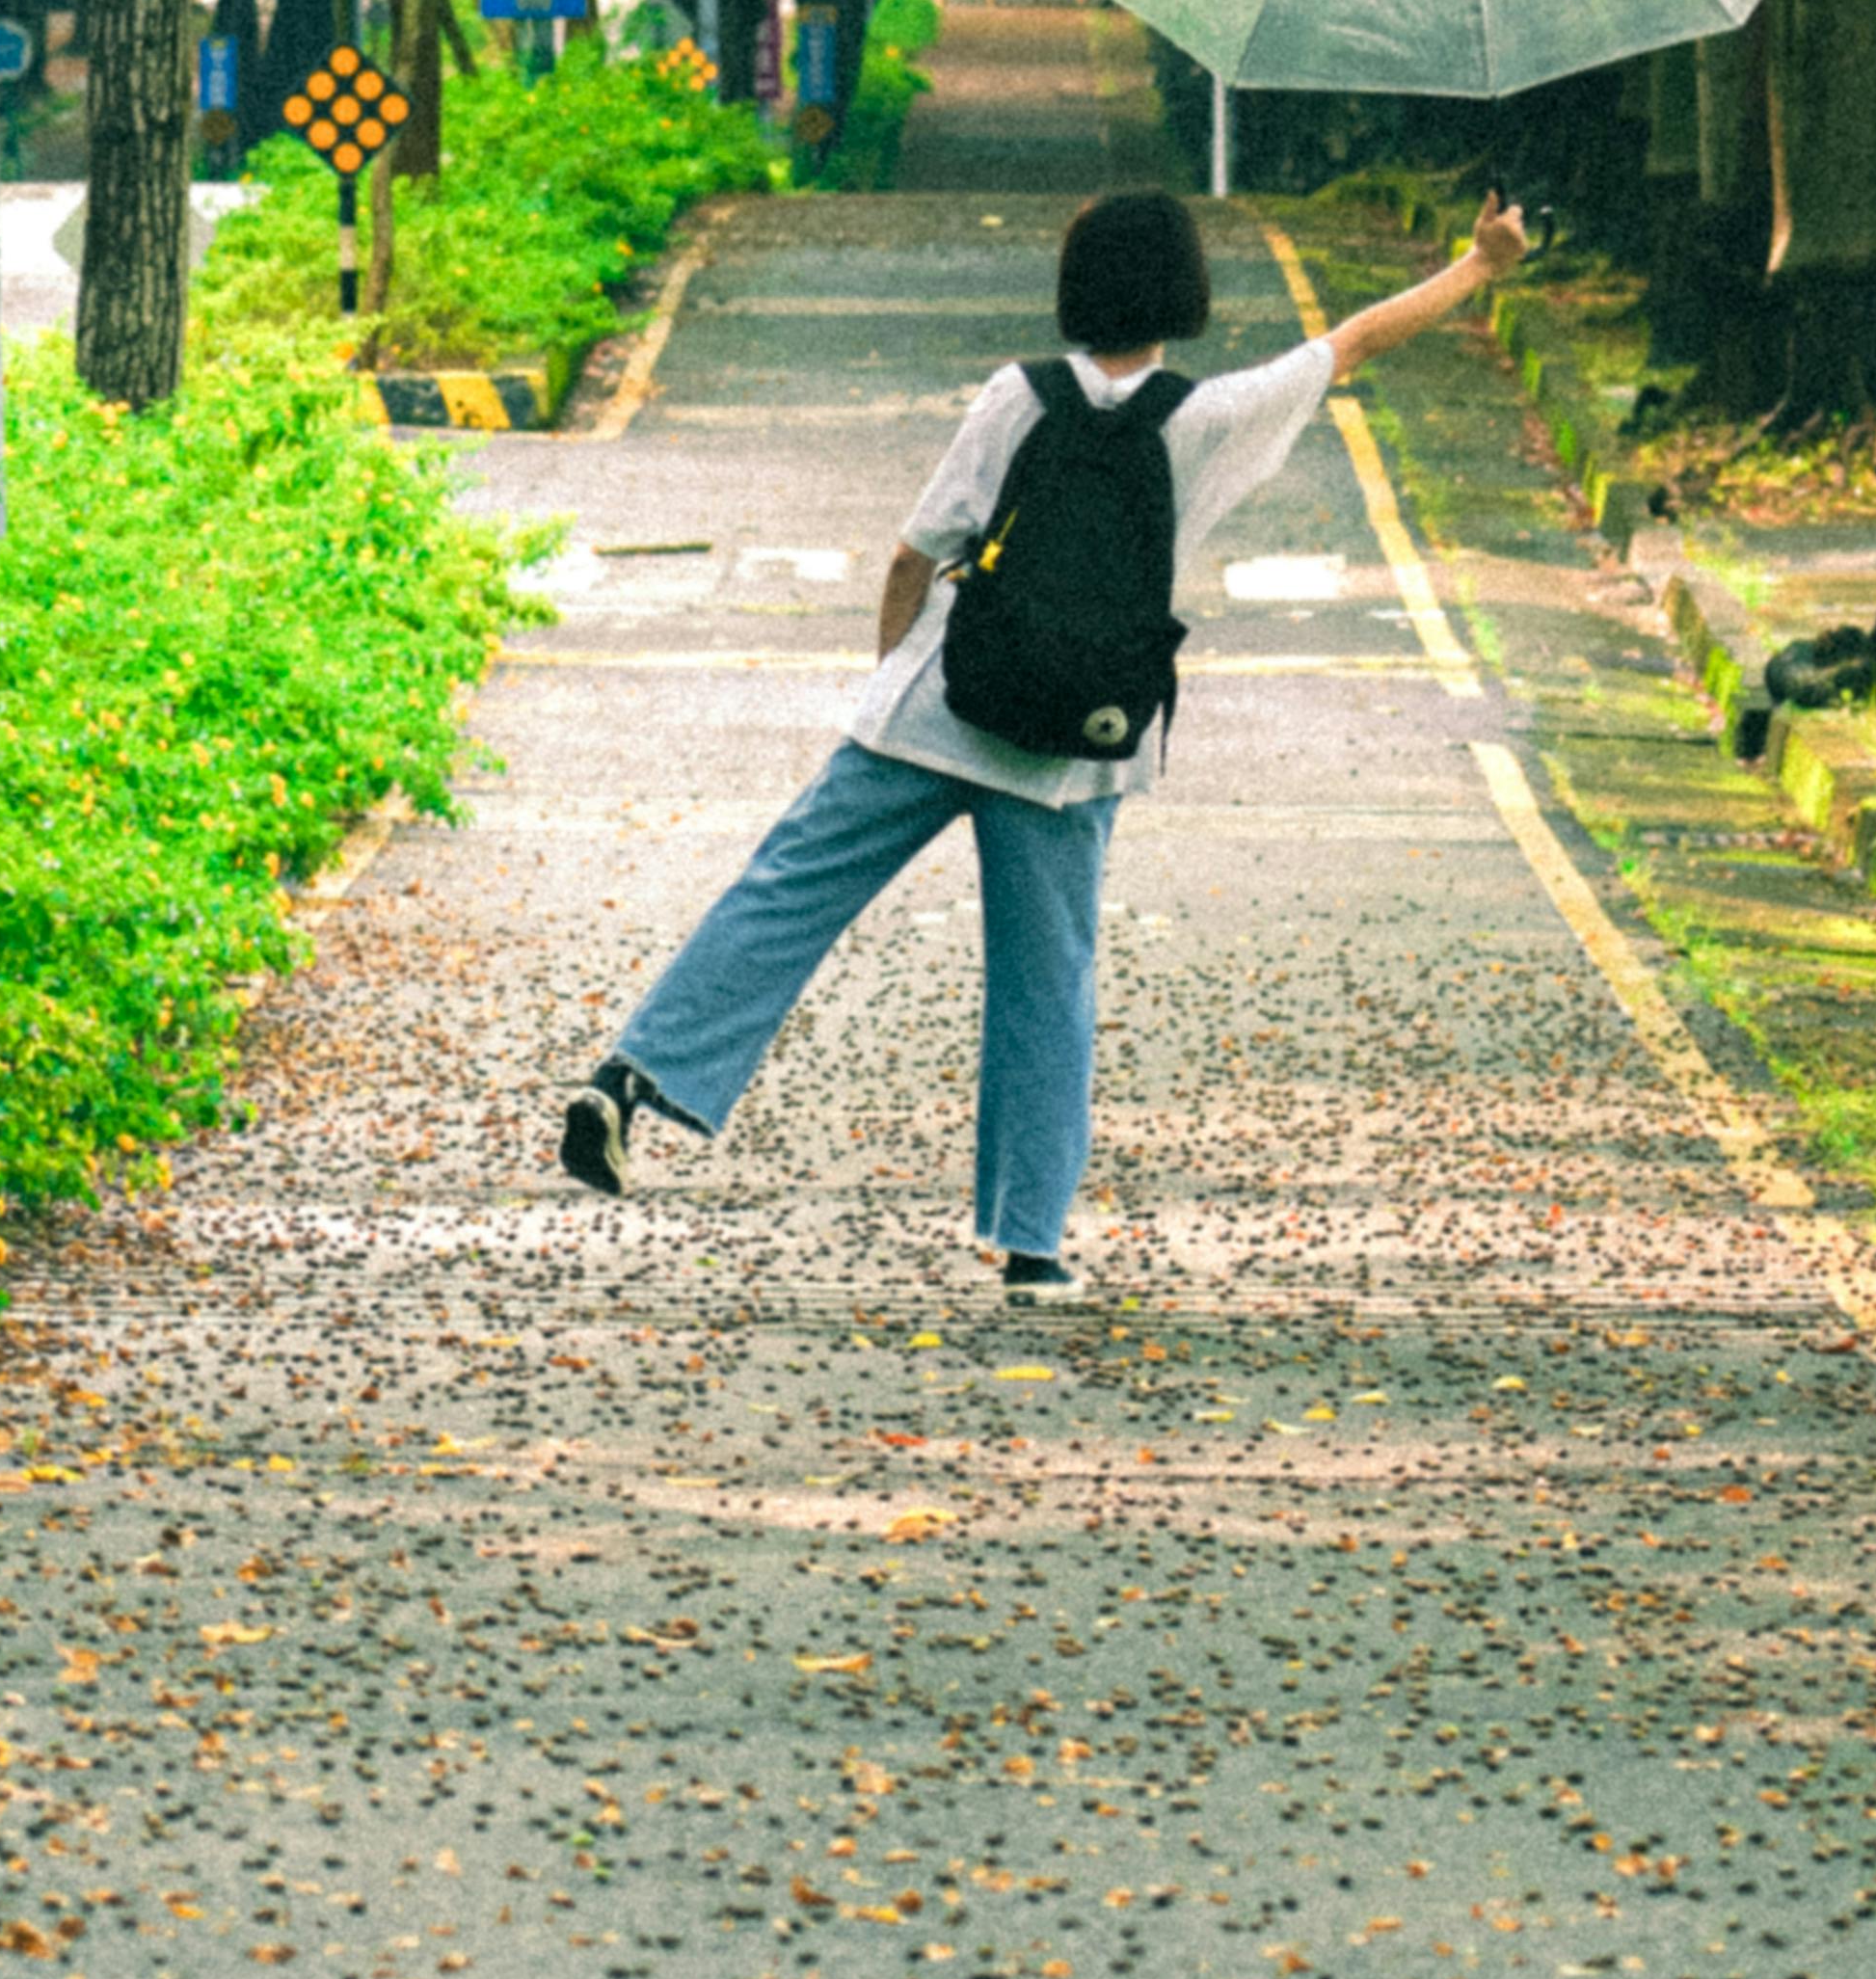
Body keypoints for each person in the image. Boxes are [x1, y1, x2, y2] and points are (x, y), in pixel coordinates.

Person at [555, 175, 1531, 1291]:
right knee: (1045, 978)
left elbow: (914, 554)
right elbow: (1351, 344)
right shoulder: (1205, 421)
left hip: (937, 706)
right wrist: (1481, 265)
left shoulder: (1014, 396)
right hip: (1075, 745)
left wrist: (894, 694)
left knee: (785, 891)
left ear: (1074, 289)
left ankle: (634, 1076)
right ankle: (1027, 1242)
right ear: (1184, 295)